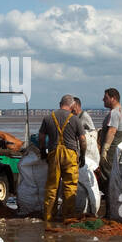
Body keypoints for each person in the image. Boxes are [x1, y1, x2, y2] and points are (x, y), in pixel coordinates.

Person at [39, 94, 85, 222]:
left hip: (53, 153)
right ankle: (68, 217)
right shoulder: (75, 119)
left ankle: (48, 216)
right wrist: (83, 156)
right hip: (70, 155)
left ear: (60, 103)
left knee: (52, 187)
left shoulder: (48, 118)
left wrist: (43, 152)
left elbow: (41, 137)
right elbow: (83, 140)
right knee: (69, 186)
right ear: (72, 105)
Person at [96, 88, 122, 215]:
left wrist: (104, 149)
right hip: (121, 152)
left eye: (105, 98)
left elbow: (112, 131)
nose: (103, 100)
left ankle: (111, 211)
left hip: (111, 152)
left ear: (113, 98)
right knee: (118, 179)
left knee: (108, 180)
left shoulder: (115, 113)